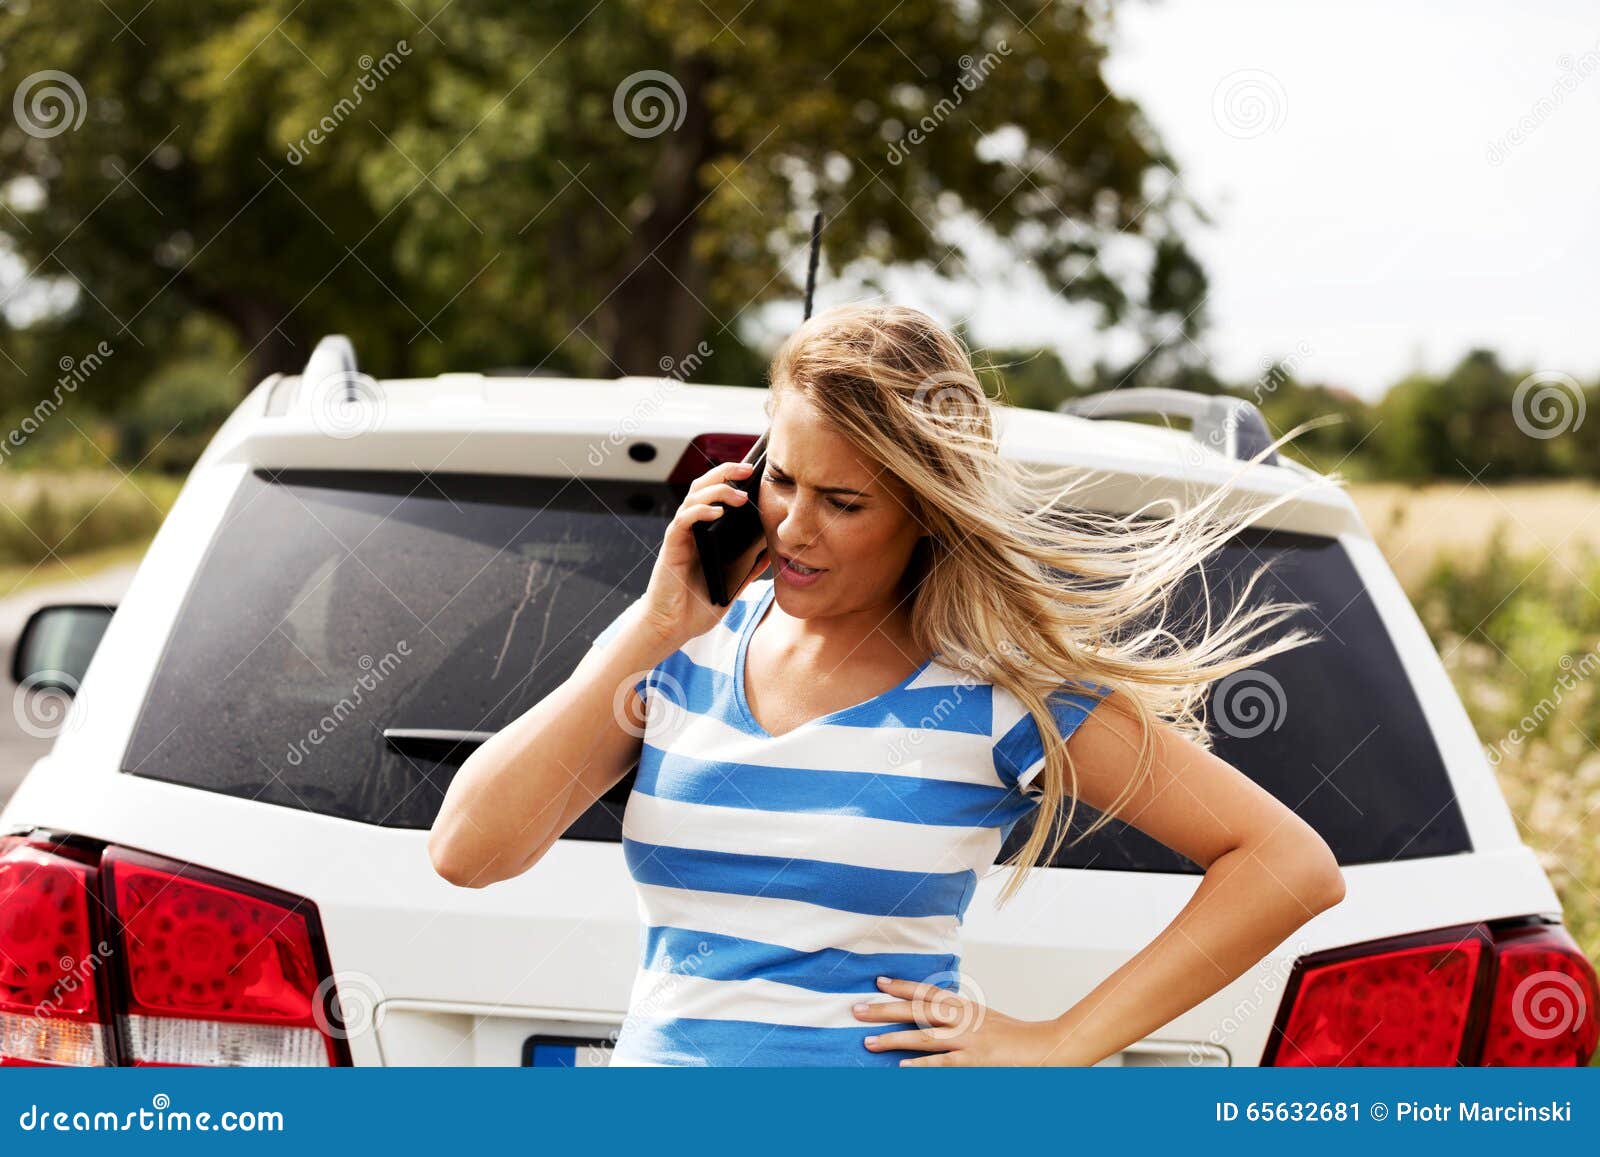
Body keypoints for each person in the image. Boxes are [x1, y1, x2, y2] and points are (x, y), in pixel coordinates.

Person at [427, 302, 1347, 1066]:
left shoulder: (996, 696)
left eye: (845, 502)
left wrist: (1061, 1042)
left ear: (925, 511)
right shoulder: (678, 650)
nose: (792, 528)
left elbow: (1287, 865)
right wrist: (655, 624)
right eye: (781, 479)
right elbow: (469, 851)